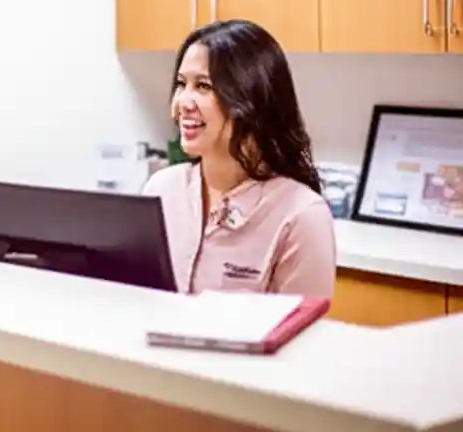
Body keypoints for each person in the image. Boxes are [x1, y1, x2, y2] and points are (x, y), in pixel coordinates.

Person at [141, 19, 336, 297]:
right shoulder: (162, 189)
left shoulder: (302, 217)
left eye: (204, 86)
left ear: (251, 99)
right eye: (182, 84)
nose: (183, 102)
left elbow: (303, 336)